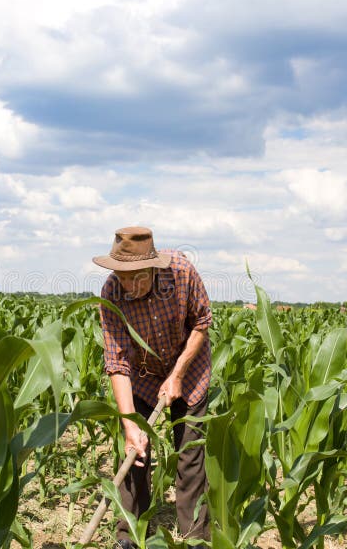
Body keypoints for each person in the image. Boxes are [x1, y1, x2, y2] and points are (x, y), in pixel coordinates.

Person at [93, 226, 212, 548]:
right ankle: (129, 537)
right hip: (142, 379)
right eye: (122, 276)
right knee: (135, 454)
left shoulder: (182, 272)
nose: (129, 285)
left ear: (154, 268)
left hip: (190, 371)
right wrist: (130, 424)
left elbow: (201, 323)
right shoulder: (111, 294)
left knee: (189, 457)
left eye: (137, 277)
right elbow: (116, 362)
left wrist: (177, 375)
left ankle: (195, 539)